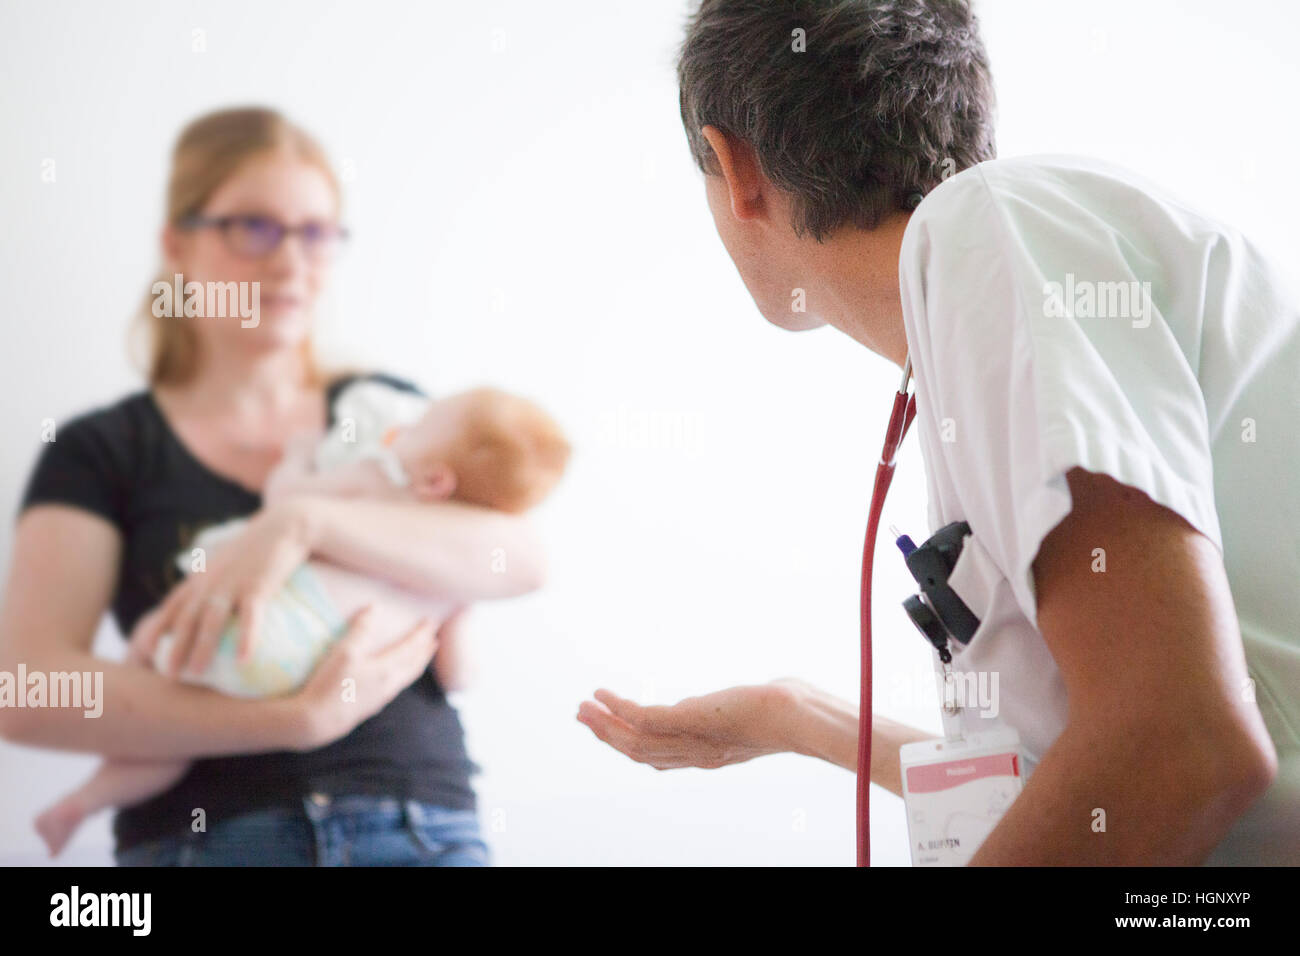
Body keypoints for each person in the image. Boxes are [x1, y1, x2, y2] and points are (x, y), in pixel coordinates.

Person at [579, 0, 1298, 865]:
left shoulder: (991, 226)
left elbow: (1181, 746)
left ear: (736, 168)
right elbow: (1084, 772)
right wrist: (800, 717)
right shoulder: (990, 277)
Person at [0, 107, 549, 866]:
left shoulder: (386, 416)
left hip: (418, 830)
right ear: (177, 243)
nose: (292, 261)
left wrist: (298, 525)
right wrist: (290, 722)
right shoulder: (101, 450)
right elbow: (27, 691)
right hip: (210, 842)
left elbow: (520, 558)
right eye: (254, 227)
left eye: (317, 232)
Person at [34, 381, 571, 856]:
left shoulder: (379, 477)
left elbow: (286, 499)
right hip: (328, 712)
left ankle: (84, 800)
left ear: (435, 480)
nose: (401, 424)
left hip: (255, 637)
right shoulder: (452, 578)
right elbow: (458, 674)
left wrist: (298, 459)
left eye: (420, 423)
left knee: (172, 729)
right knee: (178, 725)